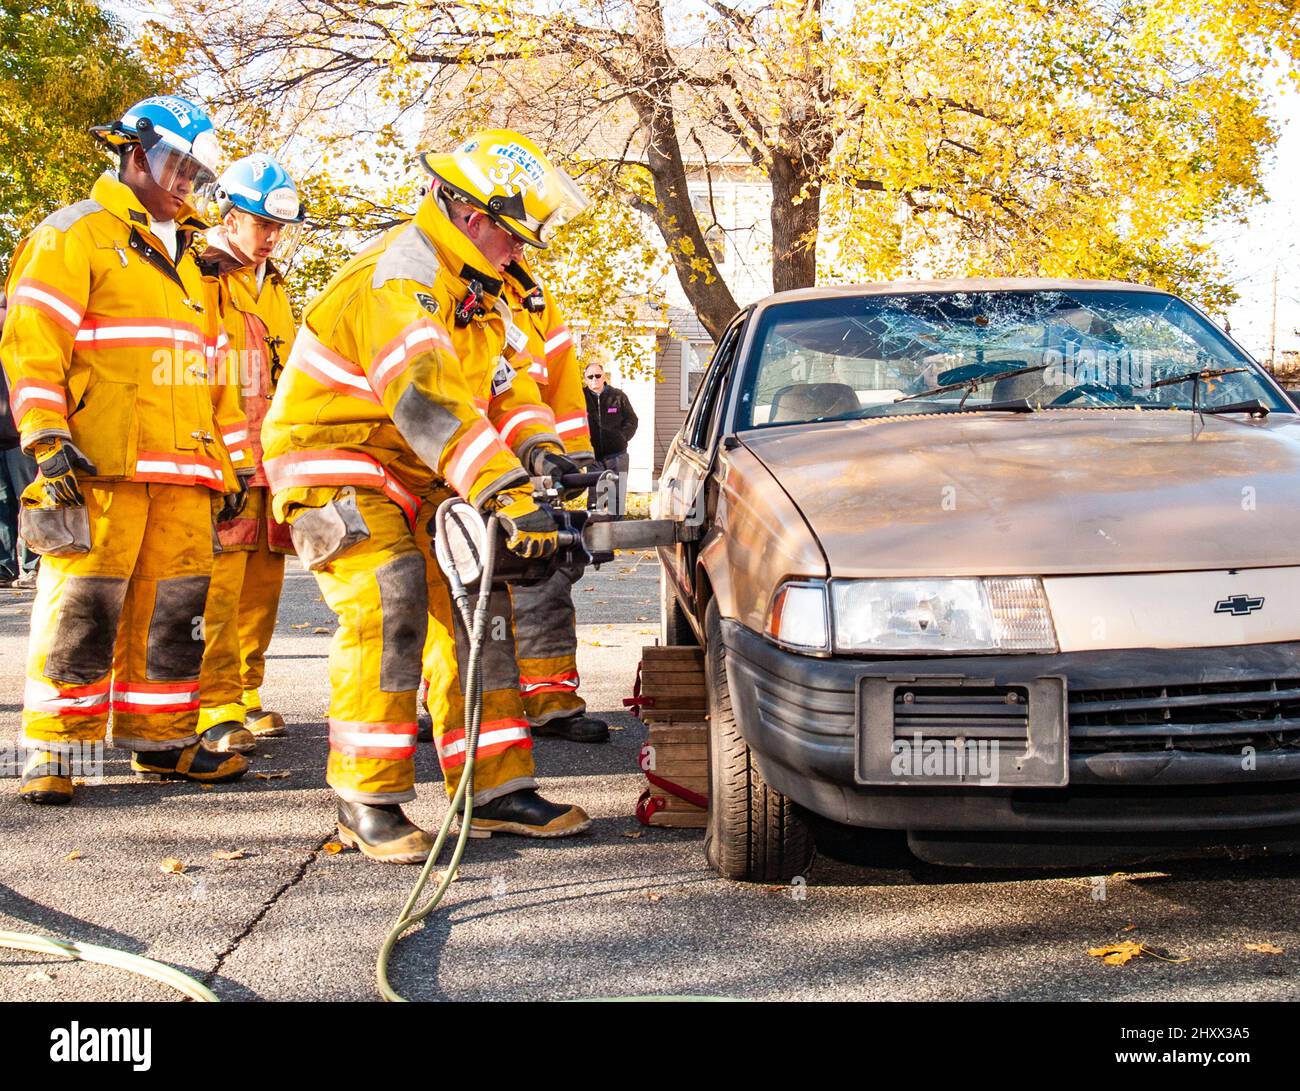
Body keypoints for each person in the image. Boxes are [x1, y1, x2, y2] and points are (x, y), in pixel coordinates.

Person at [261, 129, 592, 863]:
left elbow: (511, 387)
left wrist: (542, 453)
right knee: (391, 600)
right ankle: (365, 797)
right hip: (334, 463)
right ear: (469, 214)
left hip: (418, 470)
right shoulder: (399, 277)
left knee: (479, 611)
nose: (520, 251)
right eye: (512, 235)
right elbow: (426, 400)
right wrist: (505, 487)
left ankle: (495, 788)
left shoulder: (481, 290)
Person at [0, 95, 249, 804]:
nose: (186, 183)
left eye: (196, 172)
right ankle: (58, 750)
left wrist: (231, 460)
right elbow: (33, 343)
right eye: (176, 165)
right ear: (134, 154)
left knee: (176, 612)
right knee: (84, 605)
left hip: (187, 468)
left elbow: (216, 369)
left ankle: (163, 740)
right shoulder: (73, 235)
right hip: (99, 463)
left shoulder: (200, 262)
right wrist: (47, 436)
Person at [195, 155, 303, 754]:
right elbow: (202, 375)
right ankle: (214, 703)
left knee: (264, 579)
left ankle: (246, 691)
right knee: (220, 587)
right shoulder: (204, 274)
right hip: (224, 457)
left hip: (270, 460)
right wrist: (224, 456)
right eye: (261, 225)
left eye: (277, 229)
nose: (270, 238)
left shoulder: (274, 285)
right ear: (229, 216)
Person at [499, 259, 610, 742]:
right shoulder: (437, 284)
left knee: (544, 580)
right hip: (459, 467)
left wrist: (576, 461)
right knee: (452, 594)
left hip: (535, 467)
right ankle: (461, 701)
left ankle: (551, 698)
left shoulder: (532, 299)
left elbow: (564, 389)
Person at [0, 290, 40, 589]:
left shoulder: (20, 344)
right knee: (2, 505)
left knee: (29, 499)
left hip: (18, 436)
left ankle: (34, 564)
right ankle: (4, 568)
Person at [583, 362, 637, 515]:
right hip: (593, 457)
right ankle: (595, 532)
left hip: (617, 455)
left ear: (604, 376)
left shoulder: (617, 396)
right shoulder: (581, 398)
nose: (595, 379)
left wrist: (621, 438)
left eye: (598, 376)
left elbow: (632, 420)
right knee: (595, 497)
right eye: (590, 376)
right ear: (586, 379)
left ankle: (616, 533)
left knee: (616, 498)